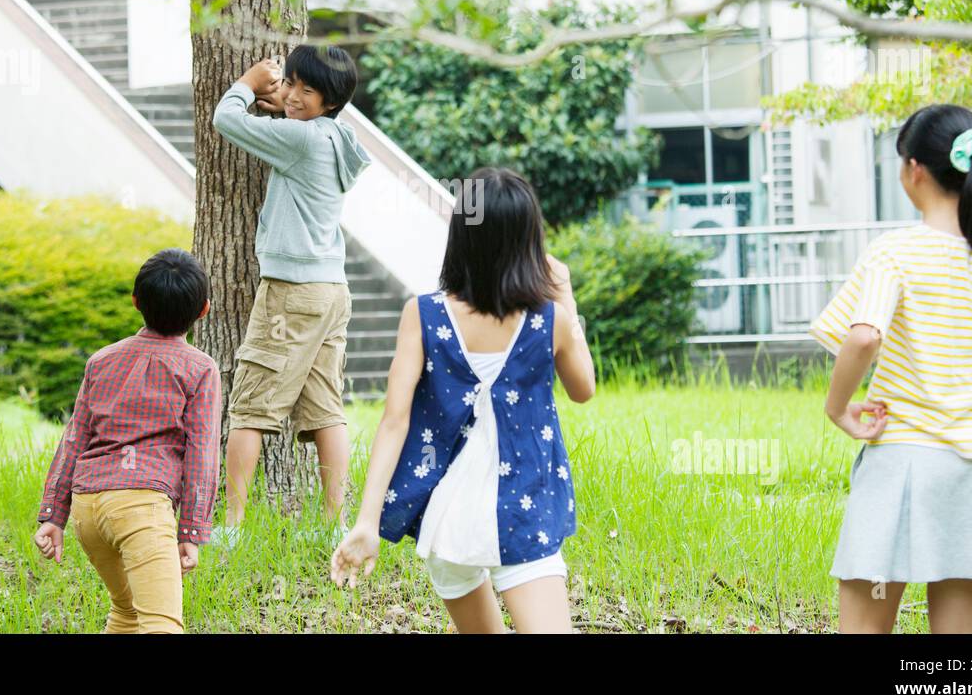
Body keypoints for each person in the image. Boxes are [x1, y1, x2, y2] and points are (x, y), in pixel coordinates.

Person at [330, 167, 596, 633]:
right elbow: (583, 389)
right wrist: (567, 297)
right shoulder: (549, 319)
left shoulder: (423, 314)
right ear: (528, 240)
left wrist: (367, 521)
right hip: (523, 512)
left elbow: (395, 421)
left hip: (446, 518)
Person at [810, 105, 972, 634]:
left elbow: (864, 334)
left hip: (903, 464)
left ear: (914, 169)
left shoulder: (894, 253)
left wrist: (837, 408)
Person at [210, 45, 371, 546]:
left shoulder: (301, 141)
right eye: (291, 84)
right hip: (331, 290)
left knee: (251, 403)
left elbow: (224, 120)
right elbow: (295, 122)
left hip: (291, 292)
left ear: (329, 100)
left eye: (307, 90)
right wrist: (284, 103)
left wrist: (247, 81)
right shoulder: (337, 136)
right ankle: (332, 525)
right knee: (325, 407)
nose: (294, 95)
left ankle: (232, 527)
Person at [33, 248, 220, 633]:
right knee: (161, 625)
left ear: (136, 302)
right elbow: (202, 455)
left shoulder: (101, 361)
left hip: (88, 508)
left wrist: (54, 514)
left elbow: (74, 440)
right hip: (143, 508)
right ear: (203, 310)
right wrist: (191, 531)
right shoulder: (200, 368)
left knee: (127, 613)